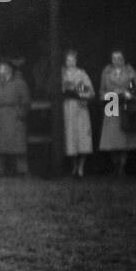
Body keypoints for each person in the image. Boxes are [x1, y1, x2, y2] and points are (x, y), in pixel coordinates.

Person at [0, 59, 31, 176]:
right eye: (0, 68)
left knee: (18, 145)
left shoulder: (19, 83)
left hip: (14, 116)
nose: (2, 70)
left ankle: (22, 170)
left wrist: (20, 114)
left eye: (5, 68)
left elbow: (26, 101)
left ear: (10, 69)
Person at [98, 50, 136, 176]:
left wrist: (130, 94)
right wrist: (108, 94)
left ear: (123, 58)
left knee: (124, 137)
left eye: (119, 57)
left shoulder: (130, 71)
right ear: (111, 60)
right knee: (111, 138)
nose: (117, 60)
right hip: (111, 105)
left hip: (126, 106)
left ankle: (122, 166)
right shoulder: (106, 72)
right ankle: (114, 165)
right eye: (114, 58)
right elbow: (101, 91)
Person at [59, 49, 94, 178]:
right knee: (70, 136)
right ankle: (73, 166)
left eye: (73, 60)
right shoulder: (61, 74)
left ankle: (81, 167)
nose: (71, 62)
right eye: (68, 60)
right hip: (67, 107)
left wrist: (77, 88)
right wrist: (65, 87)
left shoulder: (81, 73)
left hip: (80, 106)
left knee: (82, 135)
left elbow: (90, 90)